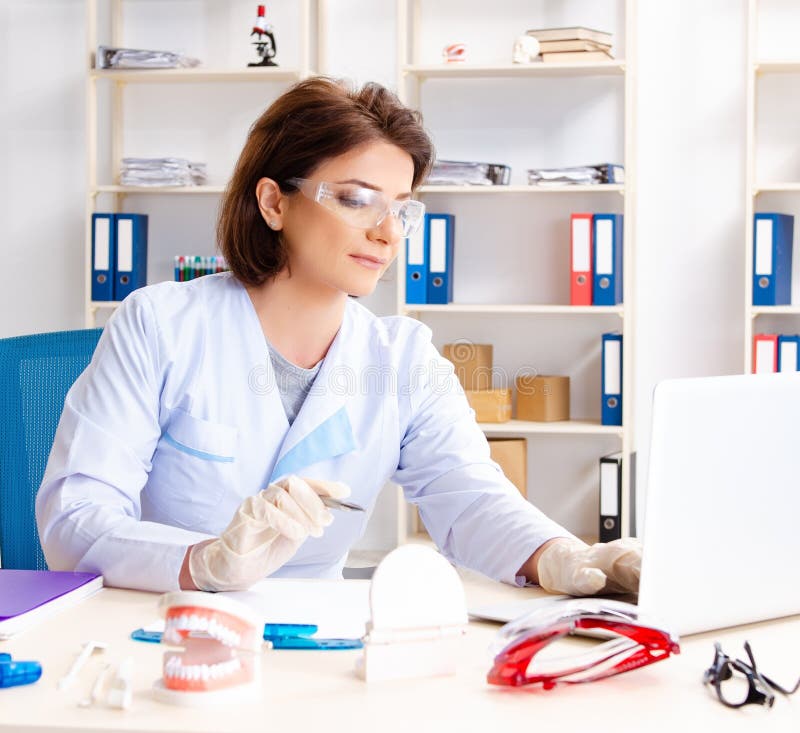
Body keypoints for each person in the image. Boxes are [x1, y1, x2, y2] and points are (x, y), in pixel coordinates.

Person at [36, 77, 640, 595]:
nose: (387, 233)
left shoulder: (403, 357)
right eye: (356, 200)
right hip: (165, 629)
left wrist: (563, 556)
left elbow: (471, 498)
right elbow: (74, 519)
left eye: (401, 209)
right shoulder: (160, 325)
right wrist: (204, 563)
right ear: (274, 202)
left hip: (317, 644)